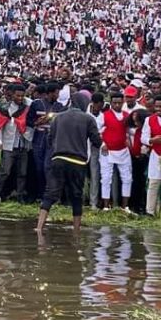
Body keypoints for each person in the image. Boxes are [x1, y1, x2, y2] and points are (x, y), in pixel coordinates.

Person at [36, 91, 102, 233]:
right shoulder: (88, 119)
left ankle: (39, 227)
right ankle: (76, 231)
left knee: (50, 194)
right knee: (76, 197)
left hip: (58, 159)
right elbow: (96, 141)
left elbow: (49, 139)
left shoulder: (57, 118)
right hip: (78, 162)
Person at [99, 90, 133, 212]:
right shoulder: (104, 115)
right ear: (111, 103)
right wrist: (102, 144)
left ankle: (125, 206)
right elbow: (95, 131)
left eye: (119, 103)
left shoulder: (127, 115)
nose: (117, 105)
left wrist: (130, 138)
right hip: (107, 152)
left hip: (123, 151)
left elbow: (130, 131)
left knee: (127, 178)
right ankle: (106, 206)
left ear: (123, 102)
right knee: (106, 178)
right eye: (114, 103)